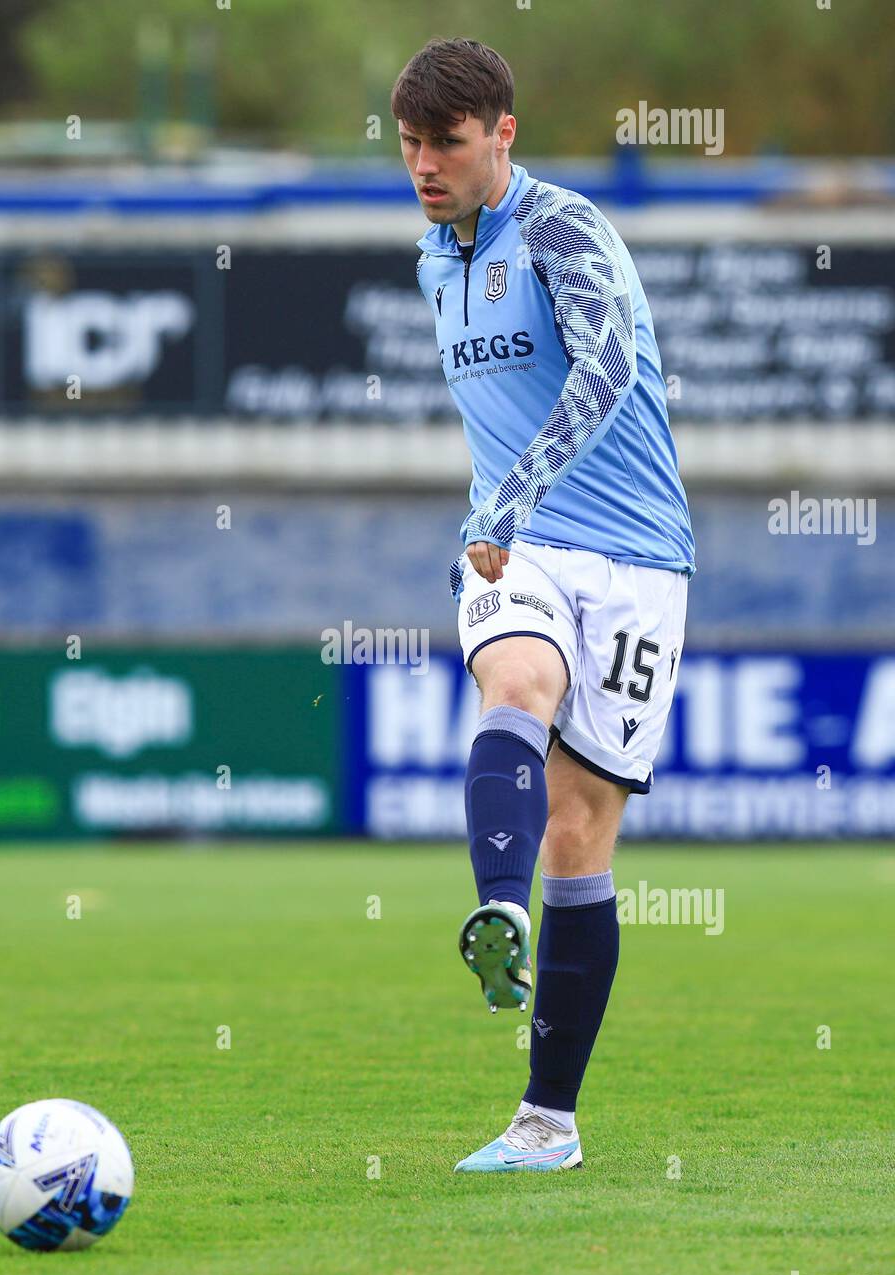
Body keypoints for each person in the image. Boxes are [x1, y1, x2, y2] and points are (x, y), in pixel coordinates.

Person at [393, 38, 695, 1172]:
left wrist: (512, 492)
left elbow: (605, 369)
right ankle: (496, 913)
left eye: (447, 143)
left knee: (581, 831)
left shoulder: (562, 228)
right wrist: (504, 511)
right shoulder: (431, 256)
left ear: (502, 134)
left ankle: (546, 1124)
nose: (425, 164)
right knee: (513, 682)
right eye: (411, 144)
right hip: (509, 547)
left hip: (636, 560)